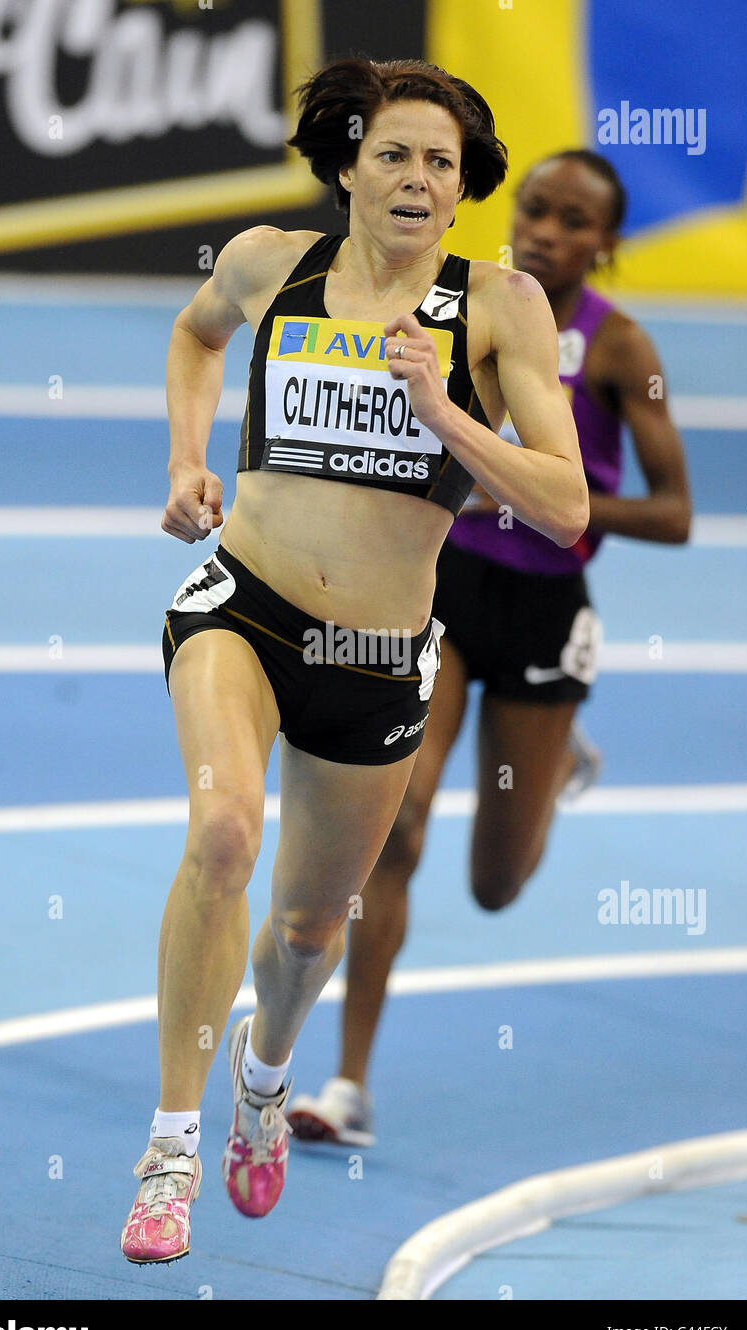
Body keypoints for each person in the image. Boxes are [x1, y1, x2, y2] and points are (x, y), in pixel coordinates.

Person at [120, 60, 589, 1263]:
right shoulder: (272, 262)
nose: (417, 179)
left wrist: (446, 415)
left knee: (312, 928)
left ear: (462, 183)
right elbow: (193, 334)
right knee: (224, 834)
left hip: (377, 658)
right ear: (347, 164)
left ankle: (263, 1079)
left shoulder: (499, 309)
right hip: (246, 606)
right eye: (394, 154)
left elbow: (564, 505)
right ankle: (169, 1152)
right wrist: (184, 461)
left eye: (440, 161)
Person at [287, 149, 691, 1148]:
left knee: (494, 886)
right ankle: (347, 1083)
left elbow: (679, 512)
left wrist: (568, 505)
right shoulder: (465, 304)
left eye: (572, 221)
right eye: (535, 211)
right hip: (448, 591)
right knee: (400, 823)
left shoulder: (616, 347)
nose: (548, 232)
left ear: (605, 244)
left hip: (547, 619)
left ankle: (552, 769)